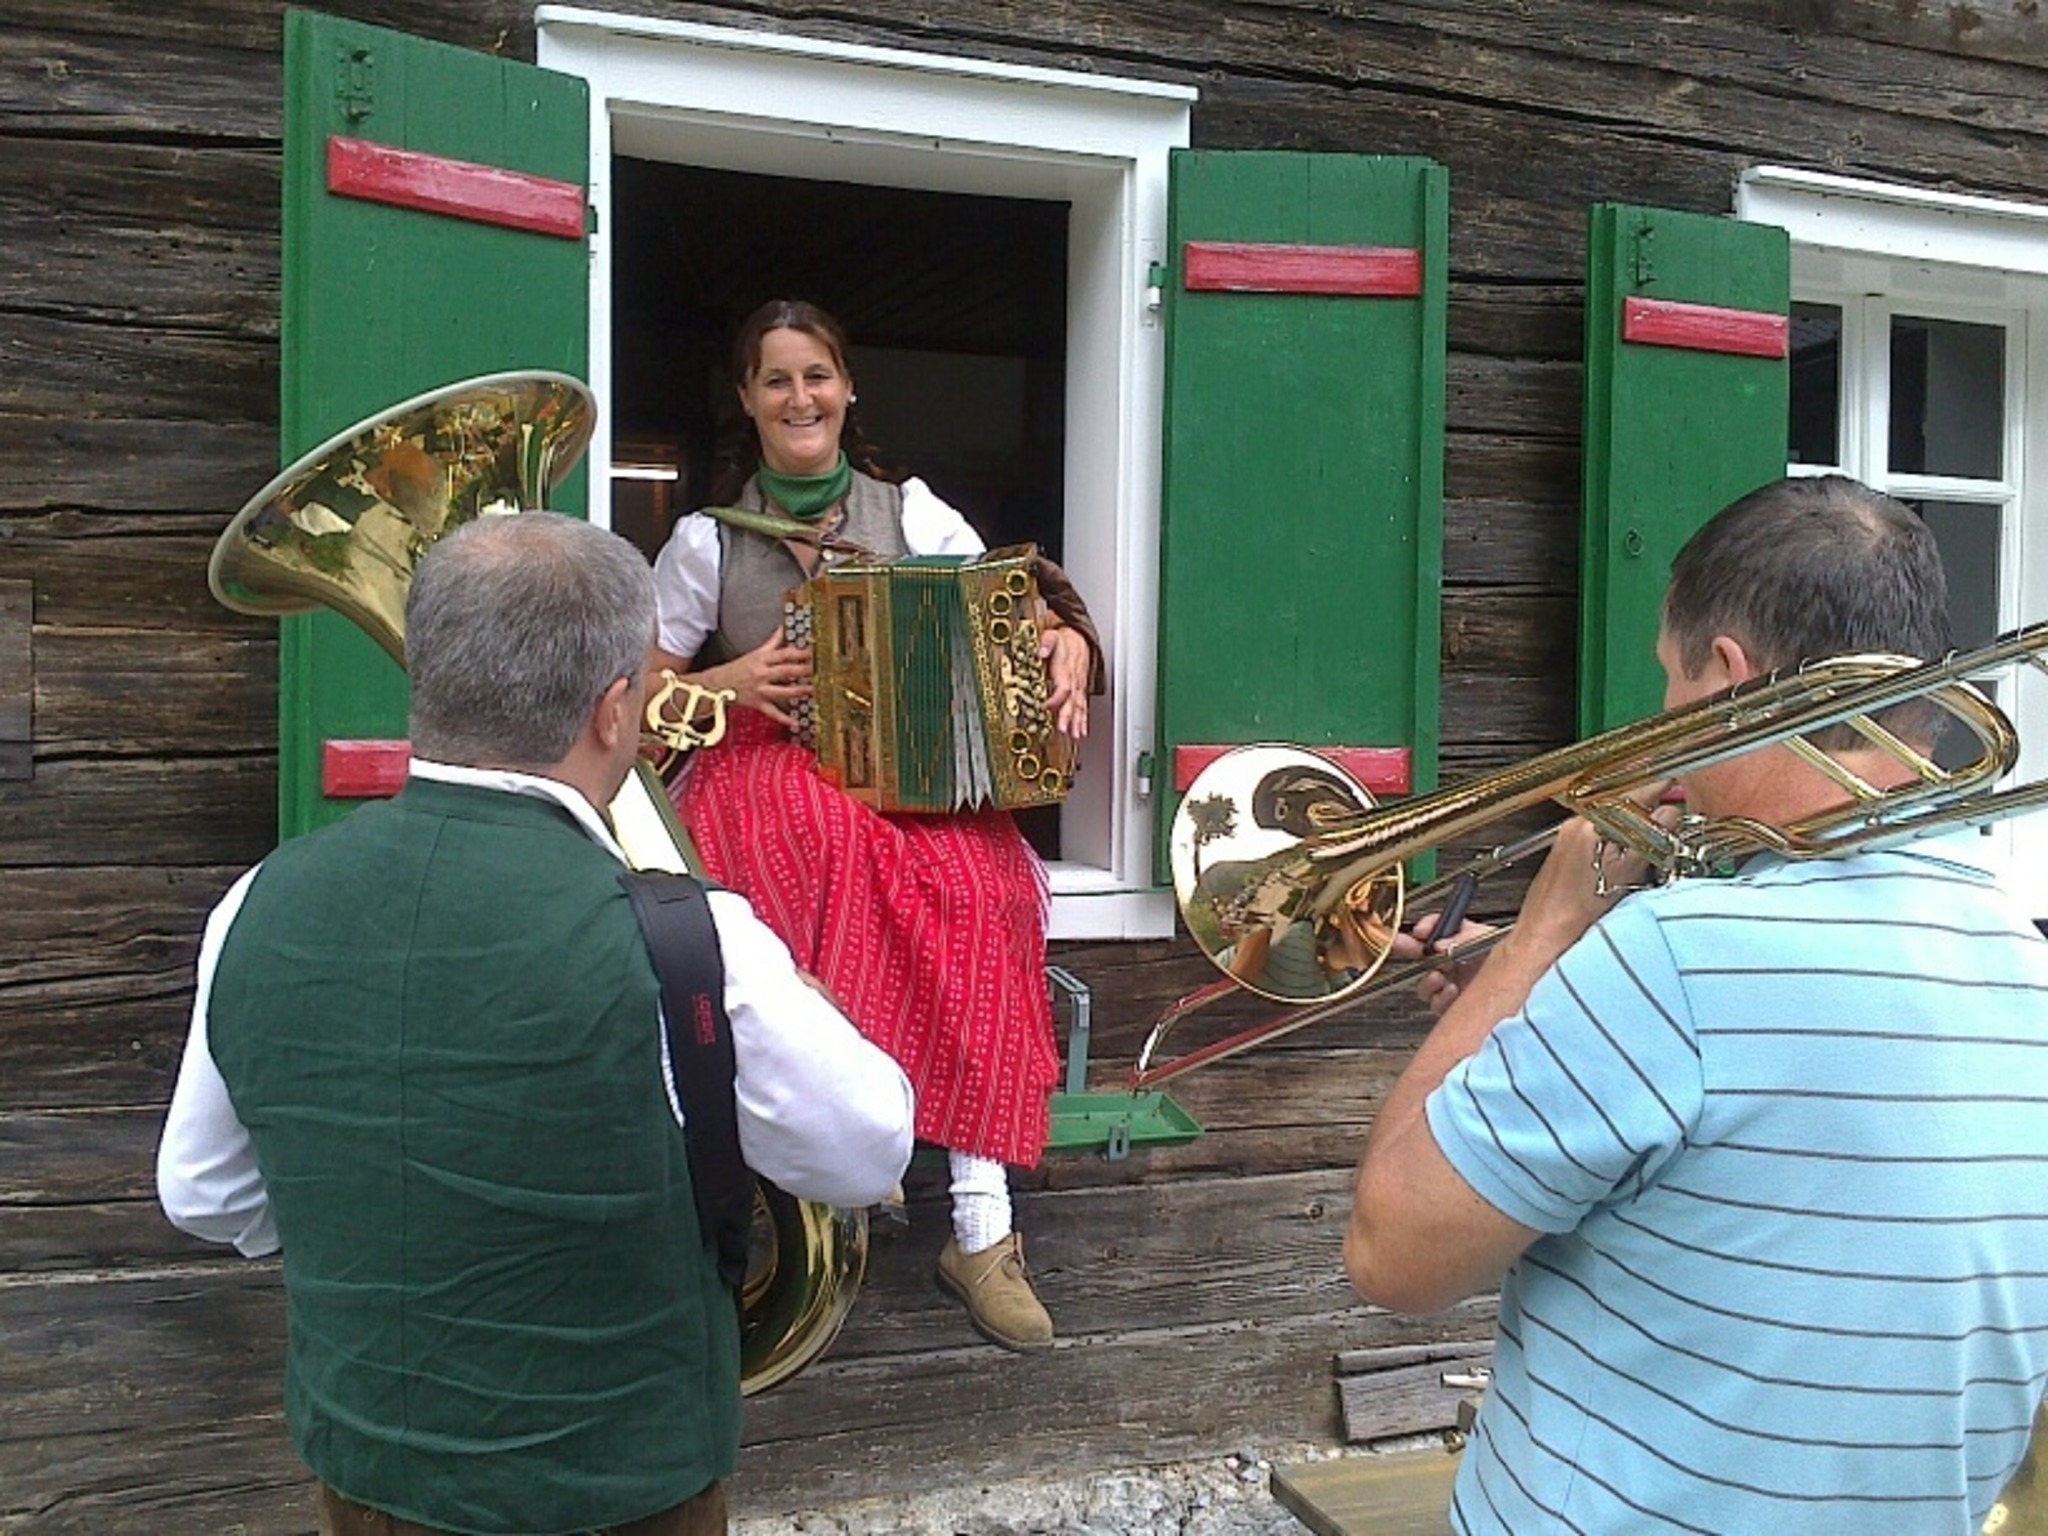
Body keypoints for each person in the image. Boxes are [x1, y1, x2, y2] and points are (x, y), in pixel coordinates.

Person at [157, 512, 915, 1536]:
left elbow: (202, 1194)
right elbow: (868, 1151)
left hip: (372, 1486)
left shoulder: (257, 900)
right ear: (614, 710)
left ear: (428, 682)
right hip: (623, 1498)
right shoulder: (694, 942)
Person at [1345, 475, 2048, 1533]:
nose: (1663, 722)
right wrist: (1534, 998)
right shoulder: (2019, 955)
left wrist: (1539, 939)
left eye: (1668, 681)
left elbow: (1388, 1255)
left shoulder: (1671, 959)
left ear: (1725, 678)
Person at [649, 299, 1101, 1353]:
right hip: (765, 766)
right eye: (775, 380)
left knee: (981, 886)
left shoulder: (917, 514)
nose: (798, 397)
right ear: (748, 401)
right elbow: (637, 701)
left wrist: (1065, 639)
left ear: (848, 391)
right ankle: (826, 1183)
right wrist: (728, 675)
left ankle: (980, 1225)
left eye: (816, 376)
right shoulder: (706, 543)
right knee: (815, 853)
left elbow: (1010, 612)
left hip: (906, 768)